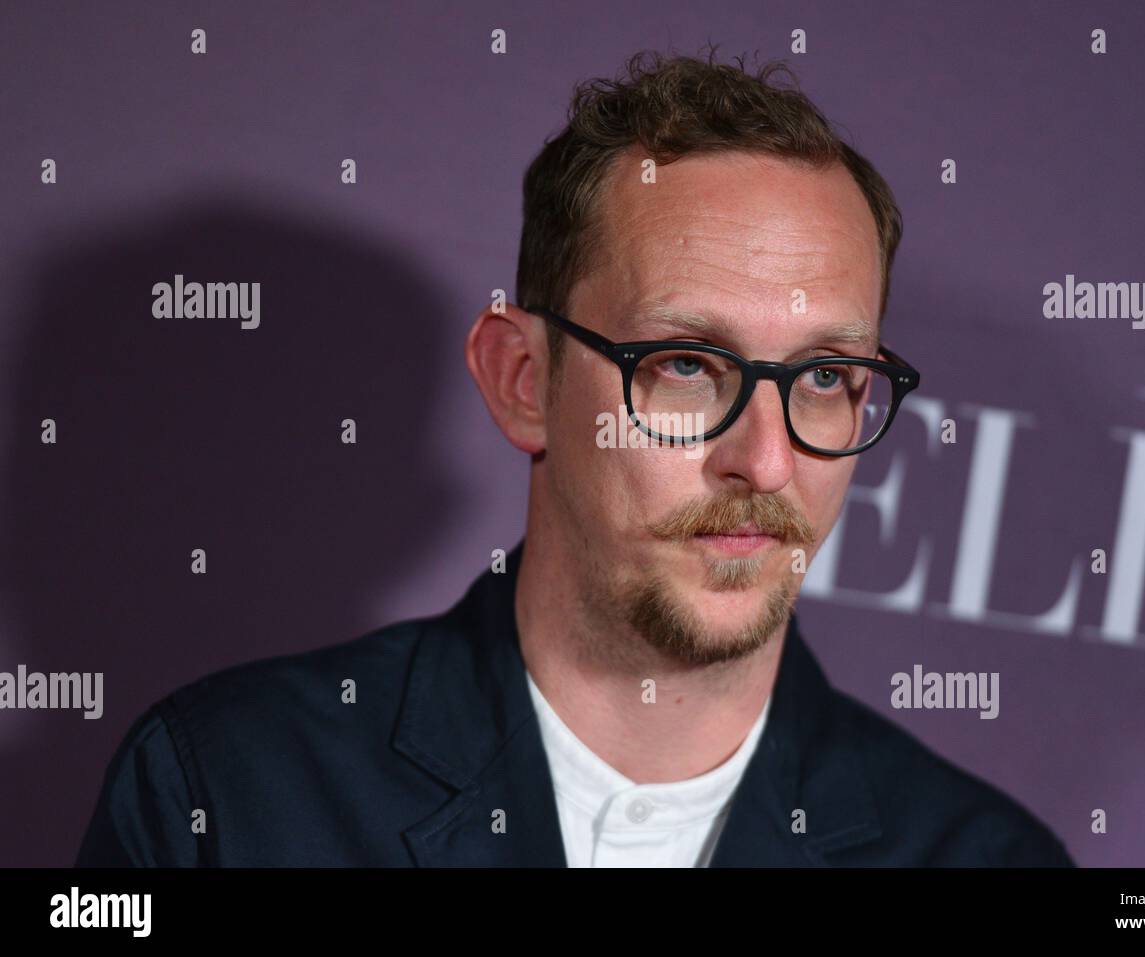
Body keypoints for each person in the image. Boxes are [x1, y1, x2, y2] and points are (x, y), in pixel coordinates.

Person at [77, 48, 1073, 867]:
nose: (764, 463)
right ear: (521, 380)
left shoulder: (985, 860)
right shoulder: (223, 792)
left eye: (823, 379)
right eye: (687, 364)